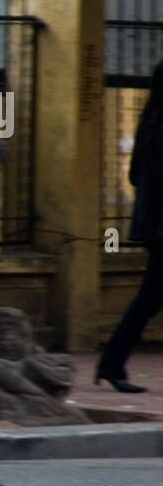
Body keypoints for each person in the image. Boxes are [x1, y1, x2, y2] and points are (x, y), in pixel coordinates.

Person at [97, 58, 163, 393]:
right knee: (147, 301)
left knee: (148, 301)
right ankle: (111, 363)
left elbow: (135, 176)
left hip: (155, 228)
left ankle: (111, 363)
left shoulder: (150, 123)